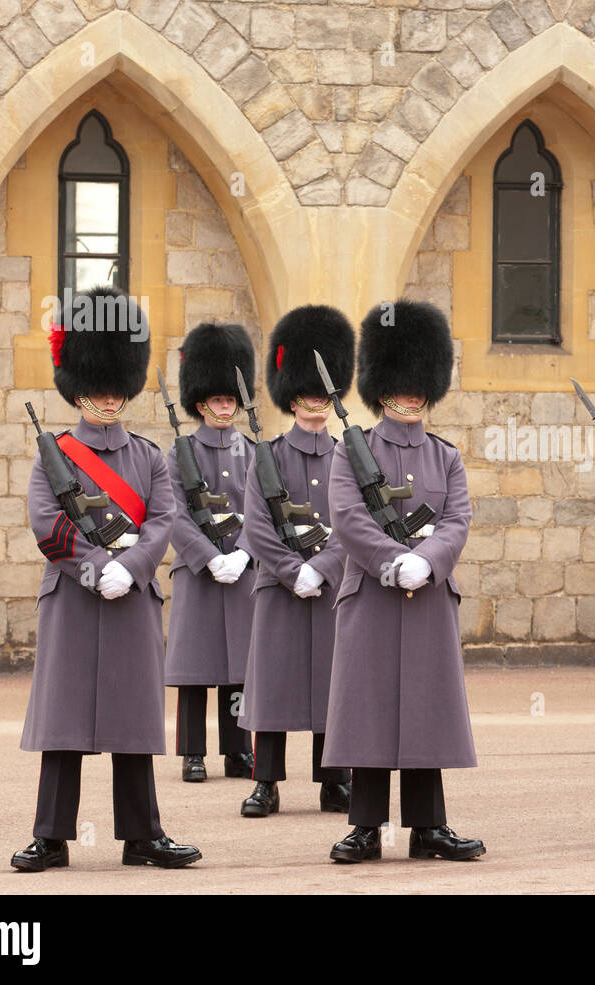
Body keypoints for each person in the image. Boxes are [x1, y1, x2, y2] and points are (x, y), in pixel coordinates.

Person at [12, 285, 200, 871]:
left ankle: (142, 834)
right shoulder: (56, 454)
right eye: (97, 386)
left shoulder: (148, 456)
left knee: (133, 720)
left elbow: (164, 519)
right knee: (64, 723)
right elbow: (47, 522)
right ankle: (51, 835)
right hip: (73, 598)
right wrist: (96, 570)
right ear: (78, 387)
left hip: (132, 598)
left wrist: (132, 568)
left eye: (116, 385)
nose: (107, 396)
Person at [324, 299, 484, 864]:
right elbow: (347, 516)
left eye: (421, 387)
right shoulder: (352, 449)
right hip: (371, 594)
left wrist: (430, 560)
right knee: (368, 709)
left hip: (429, 599)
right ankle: (365, 827)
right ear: (382, 387)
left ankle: (429, 827)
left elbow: (458, 519)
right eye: (403, 385)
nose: (412, 396)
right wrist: (393, 561)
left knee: (425, 709)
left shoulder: (446, 457)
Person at [237, 306, 355, 818]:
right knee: (273, 686)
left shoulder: (349, 455)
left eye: (322, 393)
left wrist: (323, 568)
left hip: (331, 589)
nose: (315, 402)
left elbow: (356, 523)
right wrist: (291, 571)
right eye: (307, 393)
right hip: (278, 590)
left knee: (334, 683)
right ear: (292, 396)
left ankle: (335, 781)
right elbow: (255, 524)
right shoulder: (271, 456)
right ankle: (266, 783)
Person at [164, 322, 256, 784]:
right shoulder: (179, 454)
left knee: (240, 667)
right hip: (198, 571)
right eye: (218, 400)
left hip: (242, 569)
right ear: (201, 404)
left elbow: (261, 512)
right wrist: (206, 556)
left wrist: (240, 554)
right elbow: (173, 514)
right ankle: (192, 752)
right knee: (195, 669)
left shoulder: (256, 453)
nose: (225, 406)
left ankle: (239, 750)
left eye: (229, 399)